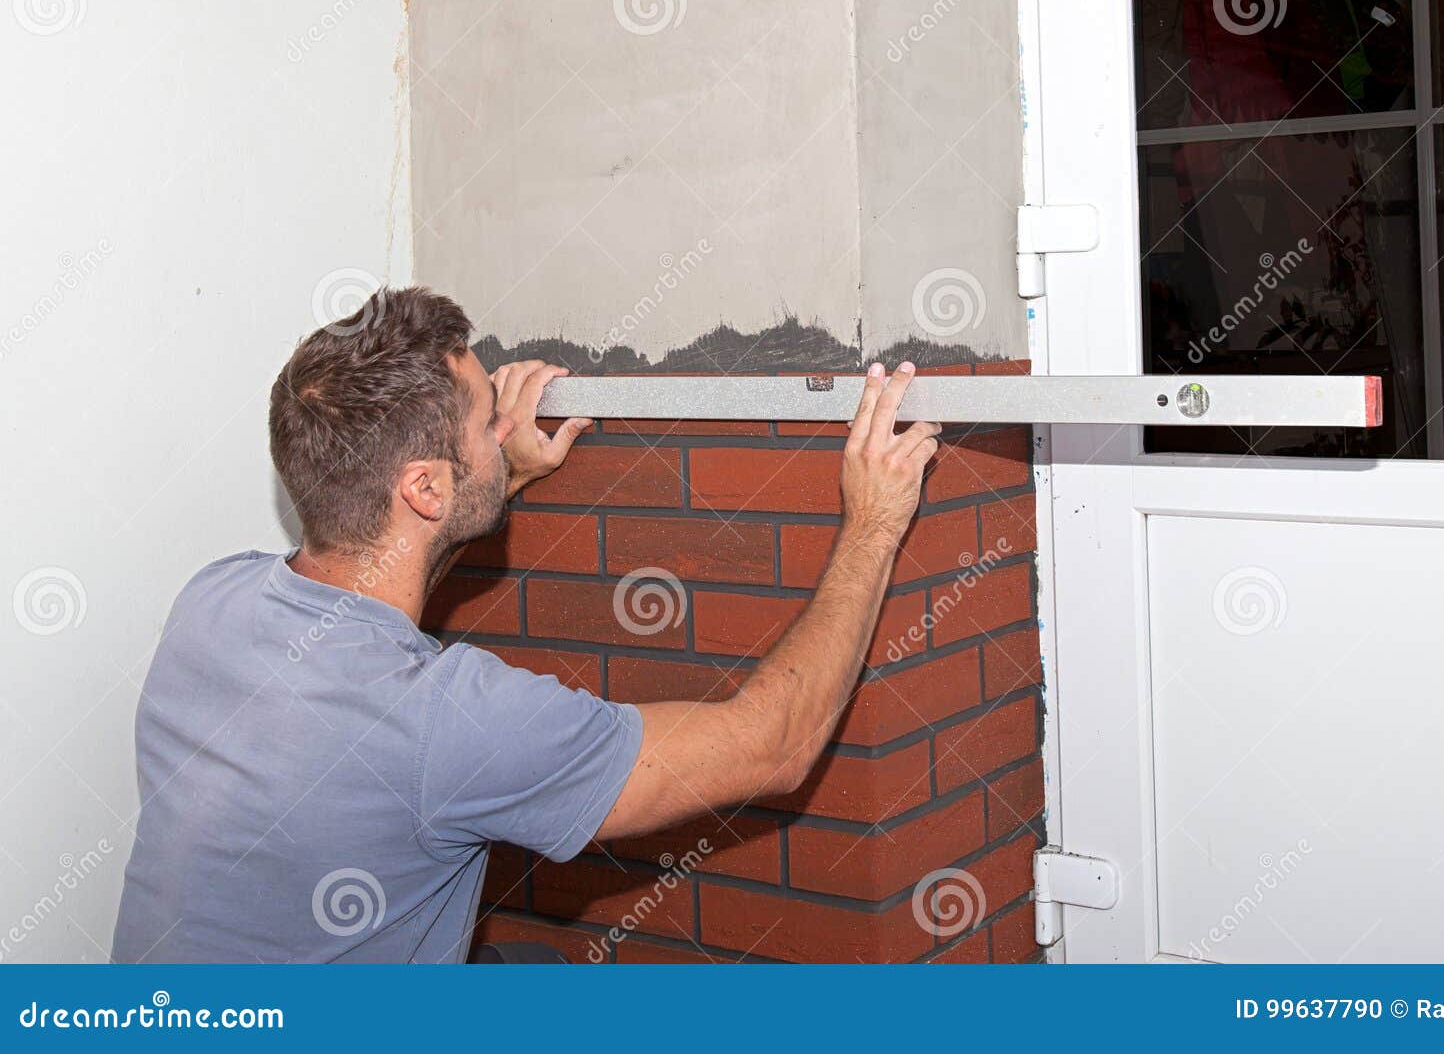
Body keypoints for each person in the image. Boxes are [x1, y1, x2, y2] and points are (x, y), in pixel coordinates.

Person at [111, 286, 941, 962]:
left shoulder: (211, 603)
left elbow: (374, 607)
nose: (508, 424)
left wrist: (492, 474)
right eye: (488, 422)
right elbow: (776, 747)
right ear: (425, 488)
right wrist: (872, 521)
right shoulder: (449, 724)